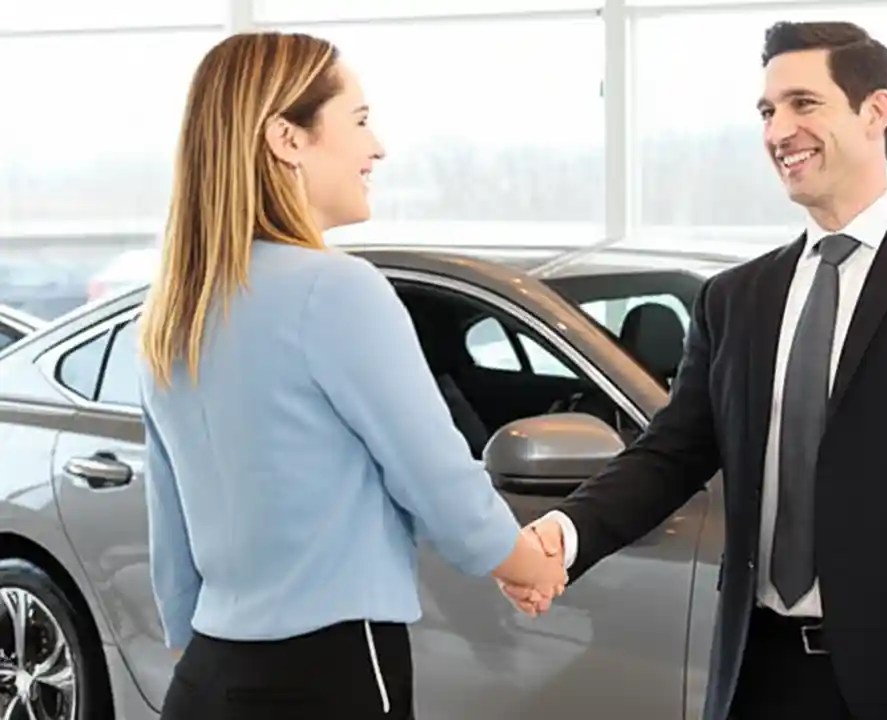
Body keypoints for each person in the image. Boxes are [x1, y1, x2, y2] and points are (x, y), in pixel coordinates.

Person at [503, 19, 887, 720]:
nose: (779, 131)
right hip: (758, 674)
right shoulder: (737, 297)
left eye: (804, 104)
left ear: (876, 111)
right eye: (768, 111)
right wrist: (563, 536)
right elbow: (671, 454)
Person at [138, 32, 566, 720]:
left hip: (208, 677)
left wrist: (207, 657)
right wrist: (526, 564)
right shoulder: (335, 290)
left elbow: (173, 542)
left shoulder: (172, 314)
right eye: (360, 120)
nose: (379, 148)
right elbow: (434, 474)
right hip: (329, 673)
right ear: (287, 138)